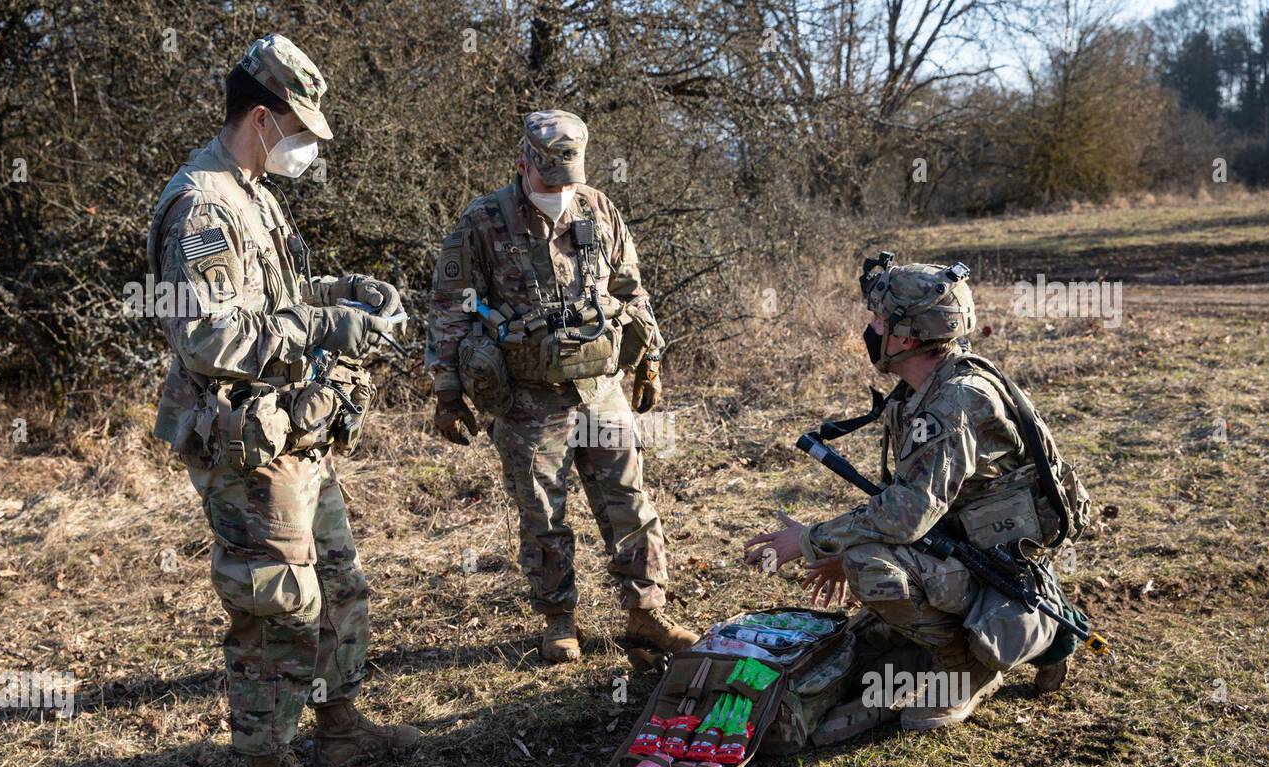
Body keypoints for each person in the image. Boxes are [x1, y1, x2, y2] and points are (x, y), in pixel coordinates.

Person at [147, 34, 417, 767]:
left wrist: (344, 292)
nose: (306, 146)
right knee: (276, 606)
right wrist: (324, 327)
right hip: (247, 445)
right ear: (263, 118)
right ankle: (263, 764)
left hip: (296, 433)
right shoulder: (203, 202)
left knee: (337, 584)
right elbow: (205, 336)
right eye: (300, 128)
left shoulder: (253, 189)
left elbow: (274, 295)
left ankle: (338, 726)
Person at [746, 255, 1089, 730]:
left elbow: (905, 517)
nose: (871, 328)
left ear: (905, 337)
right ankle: (964, 643)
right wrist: (838, 547)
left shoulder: (954, 402)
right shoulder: (921, 390)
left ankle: (971, 667)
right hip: (963, 544)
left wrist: (813, 539)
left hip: (997, 564)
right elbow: (904, 496)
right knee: (866, 597)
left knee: (870, 564)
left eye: (879, 320)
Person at [426, 110, 696, 668]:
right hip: (527, 394)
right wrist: (448, 392)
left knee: (629, 501)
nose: (561, 188)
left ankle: (645, 614)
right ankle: (558, 619)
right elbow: (450, 306)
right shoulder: (482, 220)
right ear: (523, 162)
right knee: (542, 512)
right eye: (550, 178)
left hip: (600, 386)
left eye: (568, 177)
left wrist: (649, 361)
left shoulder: (598, 207)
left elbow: (630, 288)